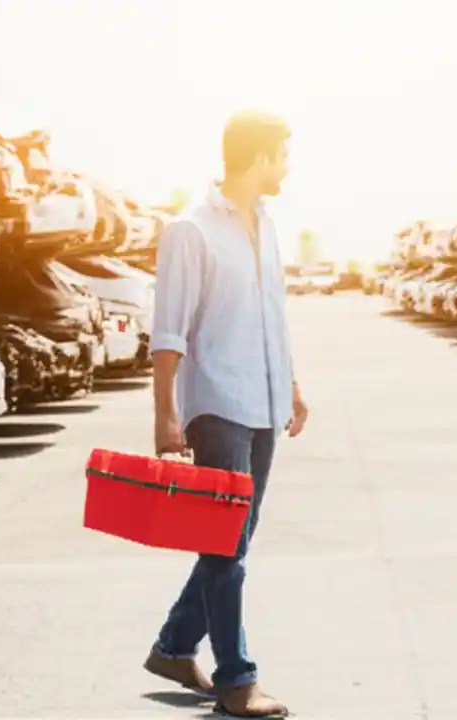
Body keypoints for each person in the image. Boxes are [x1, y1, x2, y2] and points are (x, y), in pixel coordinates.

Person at [142, 110, 307, 718]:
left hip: (263, 403)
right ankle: (236, 681)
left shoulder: (266, 225)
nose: (288, 167)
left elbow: (272, 317)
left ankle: (174, 645)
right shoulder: (191, 230)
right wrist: (165, 415)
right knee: (225, 546)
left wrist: (291, 385)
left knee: (232, 539)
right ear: (259, 157)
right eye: (284, 155)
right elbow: (169, 331)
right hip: (217, 405)